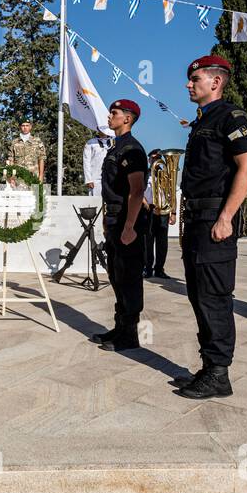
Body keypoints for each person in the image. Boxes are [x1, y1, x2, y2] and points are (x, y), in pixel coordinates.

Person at [173, 54, 247, 399]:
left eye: (195, 79)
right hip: (196, 220)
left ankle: (219, 373)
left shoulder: (231, 117)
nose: (188, 84)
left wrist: (226, 218)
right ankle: (209, 366)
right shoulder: (202, 121)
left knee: (214, 297)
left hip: (214, 220)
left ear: (216, 82)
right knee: (198, 295)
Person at [88, 100, 148, 352]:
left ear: (128, 118)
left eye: (114, 113)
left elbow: (136, 191)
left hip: (126, 219)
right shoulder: (116, 148)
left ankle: (131, 334)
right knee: (116, 274)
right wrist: (107, 221)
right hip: (114, 218)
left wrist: (129, 226)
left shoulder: (132, 149)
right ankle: (120, 327)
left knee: (129, 277)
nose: (109, 116)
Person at [142, 149, 175, 279]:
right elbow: (139, 192)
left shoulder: (166, 174)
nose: (155, 161)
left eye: (158, 158)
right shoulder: (145, 175)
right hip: (149, 210)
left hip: (163, 211)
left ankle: (160, 269)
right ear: (149, 160)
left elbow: (172, 194)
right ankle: (148, 268)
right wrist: (147, 205)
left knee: (162, 243)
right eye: (153, 159)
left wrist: (173, 212)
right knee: (148, 242)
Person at [6, 119, 47, 185]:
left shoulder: (37, 141)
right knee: (18, 195)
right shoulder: (14, 142)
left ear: (30, 127)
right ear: (20, 127)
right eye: (23, 125)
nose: (25, 128)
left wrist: (41, 176)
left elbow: (41, 159)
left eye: (27, 125)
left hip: (33, 176)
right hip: (18, 177)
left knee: (33, 195)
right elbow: (11, 160)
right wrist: (11, 177)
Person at [83, 131, 111, 197]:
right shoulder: (90, 143)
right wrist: (88, 180)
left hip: (110, 178)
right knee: (95, 203)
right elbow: (86, 161)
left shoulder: (114, 141)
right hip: (95, 180)